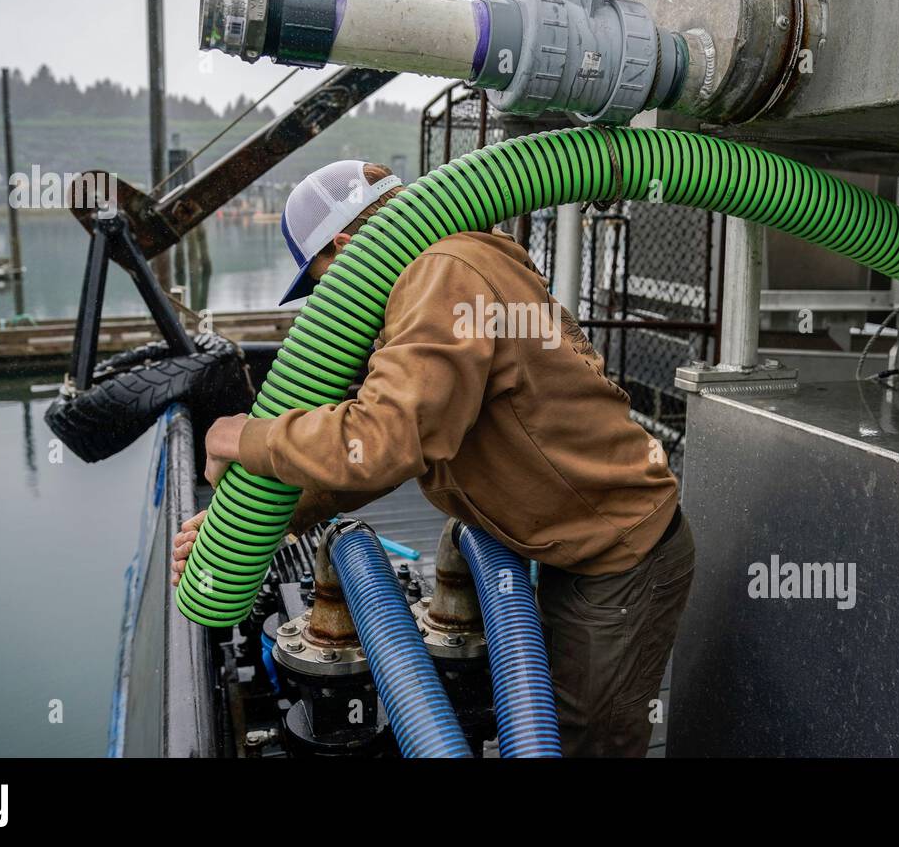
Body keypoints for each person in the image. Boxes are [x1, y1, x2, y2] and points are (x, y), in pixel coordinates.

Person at [172, 159, 694, 757]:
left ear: (347, 247)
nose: (325, 305)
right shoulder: (443, 267)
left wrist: (247, 438)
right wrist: (253, 528)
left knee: (583, 744)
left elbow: (385, 441)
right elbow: (394, 447)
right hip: (578, 547)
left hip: (619, 560)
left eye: (322, 283)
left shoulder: (442, 273)